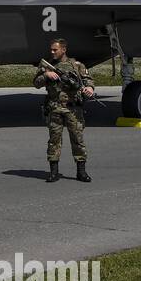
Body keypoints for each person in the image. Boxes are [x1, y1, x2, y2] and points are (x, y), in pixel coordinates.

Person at [34, 38, 94, 183]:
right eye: (51, 49)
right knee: (54, 141)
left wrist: (90, 88)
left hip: (73, 109)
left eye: (55, 49)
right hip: (54, 108)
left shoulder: (76, 65)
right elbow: (36, 83)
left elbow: (88, 80)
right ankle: (54, 173)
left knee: (77, 140)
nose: (52, 52)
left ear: (64, 50)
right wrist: (46, 76)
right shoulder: (47, 67)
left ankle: (81, 172)